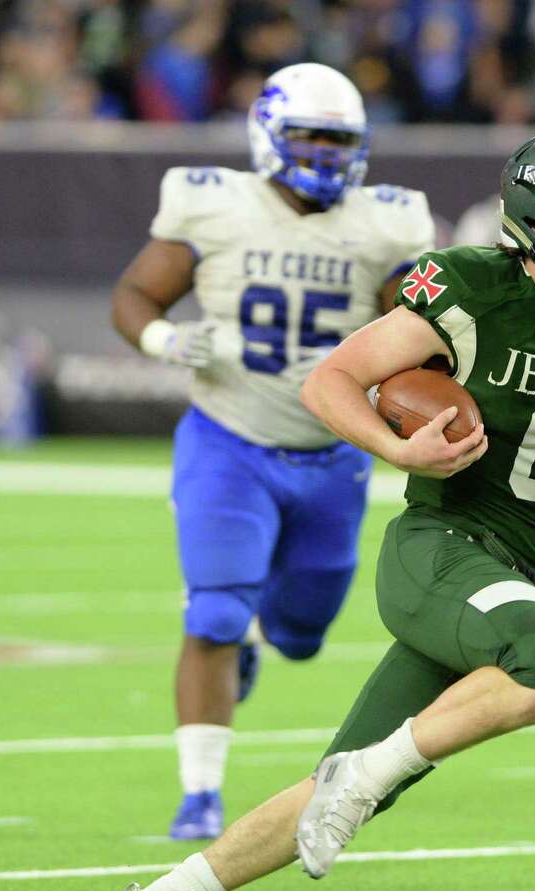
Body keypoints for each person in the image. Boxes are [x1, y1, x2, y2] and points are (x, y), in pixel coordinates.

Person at [101, 126, 535, 891]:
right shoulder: (470, 287)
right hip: (438, 545)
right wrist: (397, 448)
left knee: (332, 787)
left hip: (508, 566)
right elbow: (330, 378)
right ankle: (367, 776)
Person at [111, 63, 435, 841]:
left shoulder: (386, 221)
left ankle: (258, 638)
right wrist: (165, 337)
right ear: (268, 133)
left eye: (339, 141)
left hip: (333, 451)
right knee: (215, 610)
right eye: (310, 137)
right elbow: (135, 297)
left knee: (301, 633)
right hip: (228, 438)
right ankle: (199, 795)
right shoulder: (216, 204)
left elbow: (422, 329)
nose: (324, 155)